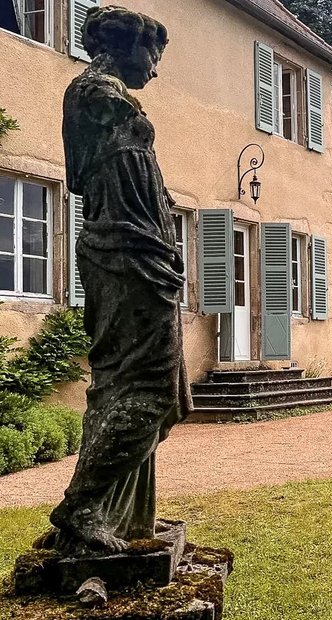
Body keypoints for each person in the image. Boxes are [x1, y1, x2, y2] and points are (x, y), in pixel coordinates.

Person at [48, 5, 190, 556]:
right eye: (152, 53)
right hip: (127, 258)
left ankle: (127, 514)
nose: (155, 68)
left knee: (167, 393)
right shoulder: (95, 94)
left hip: (142, 257)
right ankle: (82, 505)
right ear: (124, 45)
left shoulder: (108, 97)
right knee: (149, 389)